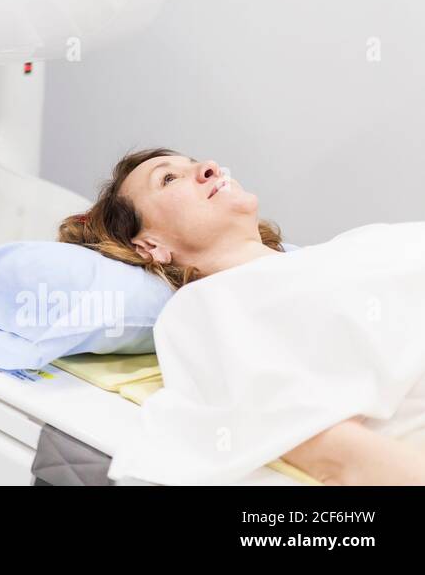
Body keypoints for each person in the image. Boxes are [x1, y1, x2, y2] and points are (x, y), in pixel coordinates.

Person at [57, 148, 425, 485]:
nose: (208, 168)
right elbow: (329, 450)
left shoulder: (356, 243)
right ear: (150, 245)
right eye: (168, 178)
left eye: (194, 163)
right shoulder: (204, 307)